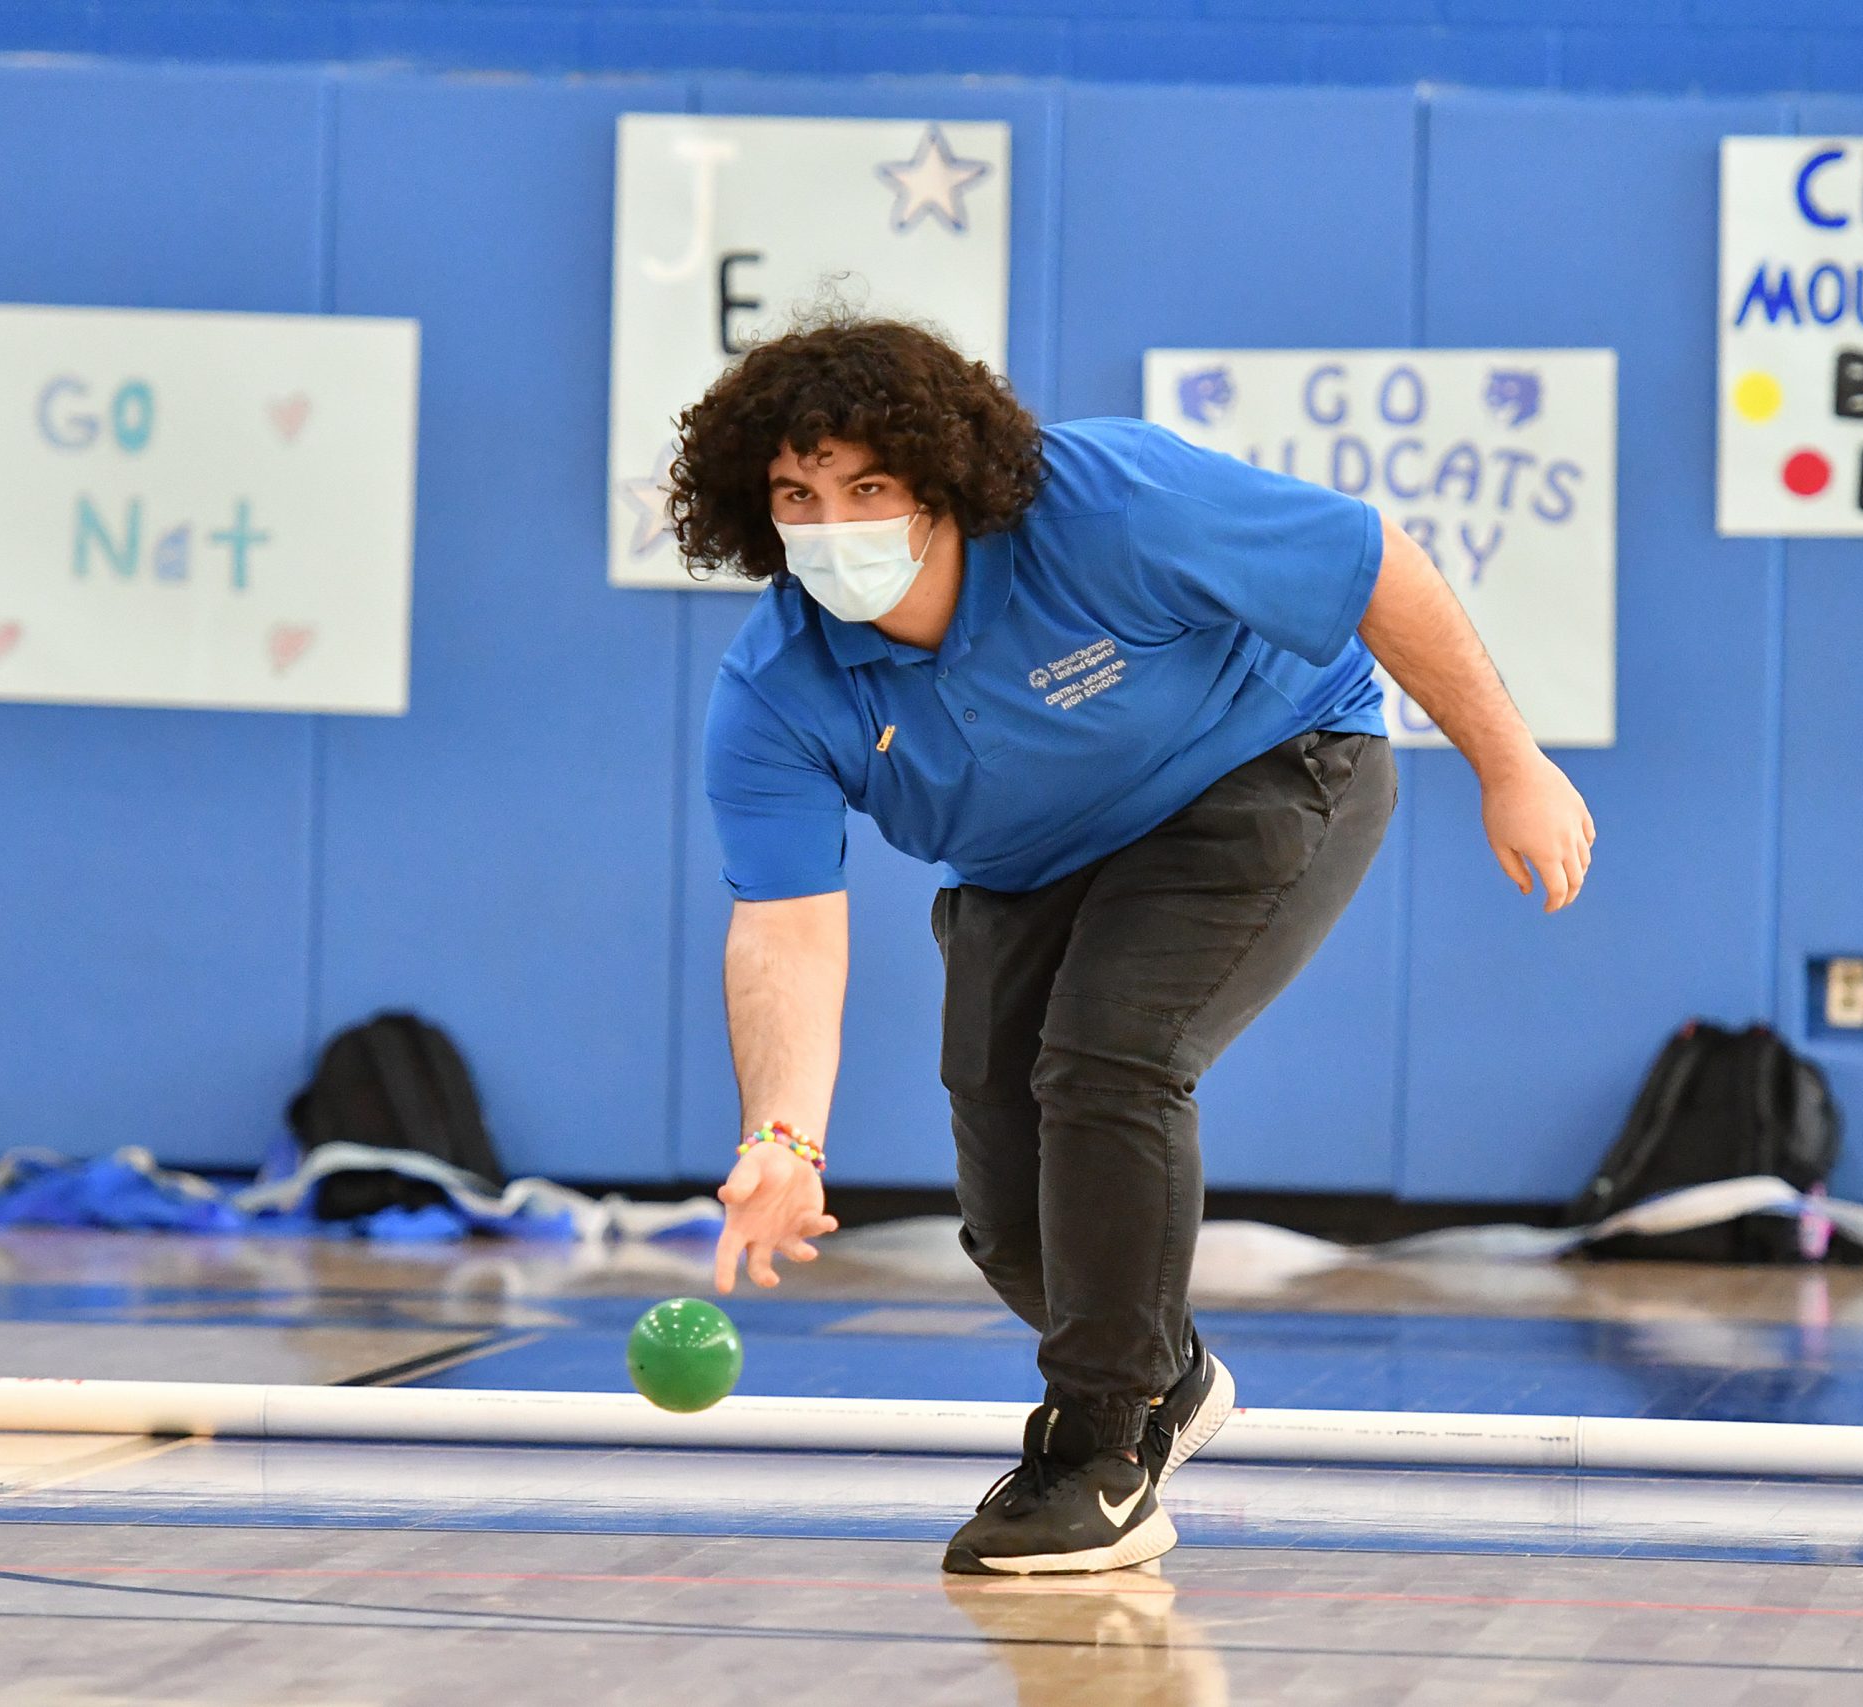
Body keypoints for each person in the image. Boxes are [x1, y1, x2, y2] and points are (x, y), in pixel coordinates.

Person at [670, 317, 1594, 1576]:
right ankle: (1167, 1376)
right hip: (1025, 867)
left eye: (868, 486)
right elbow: (783, 925)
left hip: (1264, 767)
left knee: (1110, 1058)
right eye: (796, 495)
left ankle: (1101, 1452)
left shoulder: (1109, 505)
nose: (833, 522)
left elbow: (1372, 560)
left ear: (943, 483)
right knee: (1007, 1220)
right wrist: (782, 1138)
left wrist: (1509, 761)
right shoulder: (776, 684)